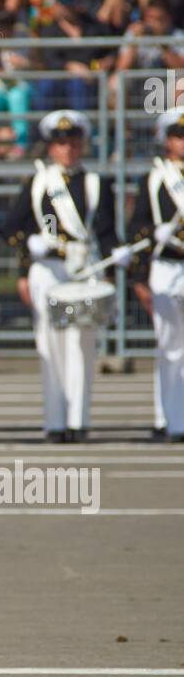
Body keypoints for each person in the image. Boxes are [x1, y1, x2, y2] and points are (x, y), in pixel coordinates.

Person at [4, 109, 129, 441]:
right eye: (60, 143)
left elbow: (104, 231)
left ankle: (79, 420)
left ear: (83, 145)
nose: (68, 149)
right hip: (47, 269)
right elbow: (13, 227)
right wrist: (27, 253)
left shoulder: (96, 183)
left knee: (82, 345)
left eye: (73, 142)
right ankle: (55, 422)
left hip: (85, 266)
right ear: (50, 148)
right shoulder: (37, 182)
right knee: (50, 344)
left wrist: (117, 255)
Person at [128, 108, 184, 443]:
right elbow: (137, 230)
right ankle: (171, 418)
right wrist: (153, 235)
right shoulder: (154, 178)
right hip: (166, 267)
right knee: (170, 347)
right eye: (178, 136)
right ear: (167, 141)